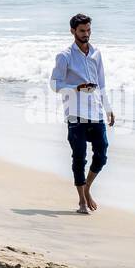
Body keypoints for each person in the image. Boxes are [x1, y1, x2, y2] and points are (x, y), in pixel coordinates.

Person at [50, 13, 114, 214]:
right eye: (82, 31)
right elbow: (54, 84)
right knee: (79, 157)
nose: (86, 34)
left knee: (102, 154)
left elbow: (102, 83)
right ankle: (81, 201)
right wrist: (76, 88)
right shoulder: (65, 55)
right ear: (73, 31)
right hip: (75, 113)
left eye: (88, 30)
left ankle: (87, 186)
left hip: (96, 112)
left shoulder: (97, 53)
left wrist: (109, 108)